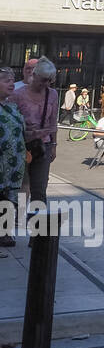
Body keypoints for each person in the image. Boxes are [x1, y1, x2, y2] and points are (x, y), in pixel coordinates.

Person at [14, 57, 59, 204]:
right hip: (21, 145)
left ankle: (38, 221)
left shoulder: (52, 94)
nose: (45, 84)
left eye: (49, 81)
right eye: (43, 79)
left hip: (43, 145)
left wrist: (54, 145)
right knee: (22, 186)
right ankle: (18, 220)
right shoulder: (18, 95)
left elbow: (53, 121)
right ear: (35, 75)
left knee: (39, 188)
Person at [0, 67, 27, 246]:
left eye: (12, 80)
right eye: (6, 80)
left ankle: (6, 232)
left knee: (11, 196)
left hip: (15, 162)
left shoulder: (13, 106)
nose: (11, 83)